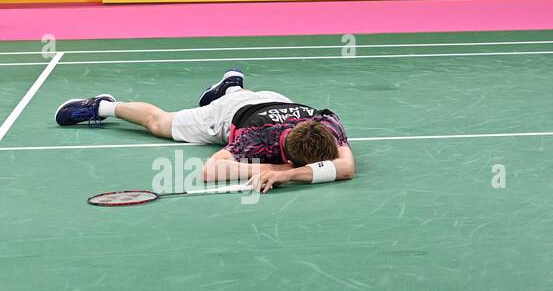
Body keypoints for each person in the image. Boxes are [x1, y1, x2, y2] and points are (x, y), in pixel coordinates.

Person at [54, 70, 354, 193]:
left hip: (273, 99)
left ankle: (230, 86)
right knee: (159, 123)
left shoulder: (327, 122)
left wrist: (286, 175)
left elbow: (346, 167)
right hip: (228, 115)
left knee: (241, 95)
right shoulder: (257, 140)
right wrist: (274, 168)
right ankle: (104, 106)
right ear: (289, 156)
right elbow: (211, 170)